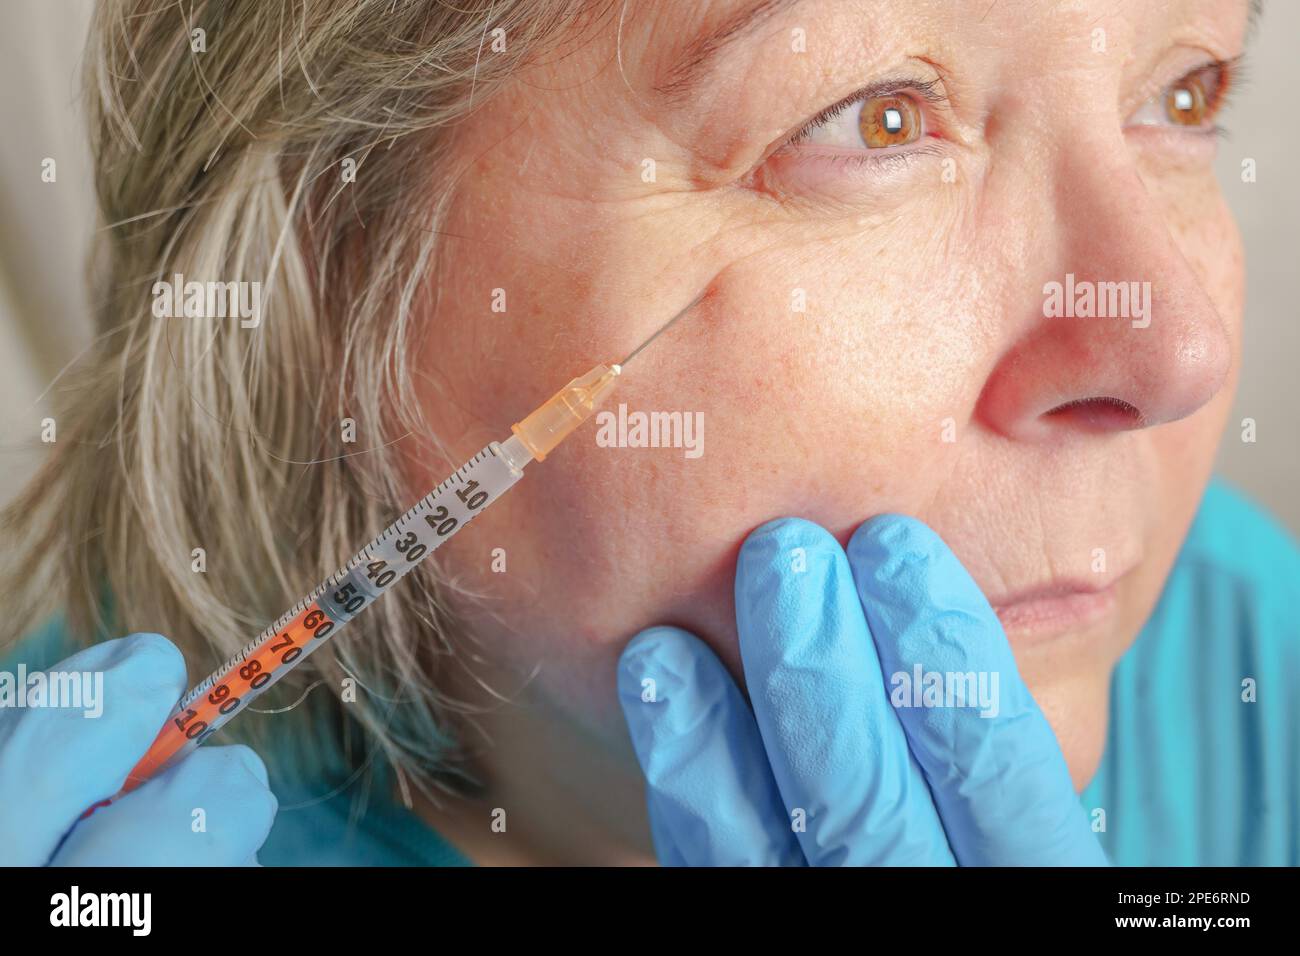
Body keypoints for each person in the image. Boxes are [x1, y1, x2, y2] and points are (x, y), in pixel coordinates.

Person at [2, 0, 1294, 866]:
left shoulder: (1256, 653)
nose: (1173, 347)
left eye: (1184, 95)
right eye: (875, 116)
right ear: (330, 289)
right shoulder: (86, 811)